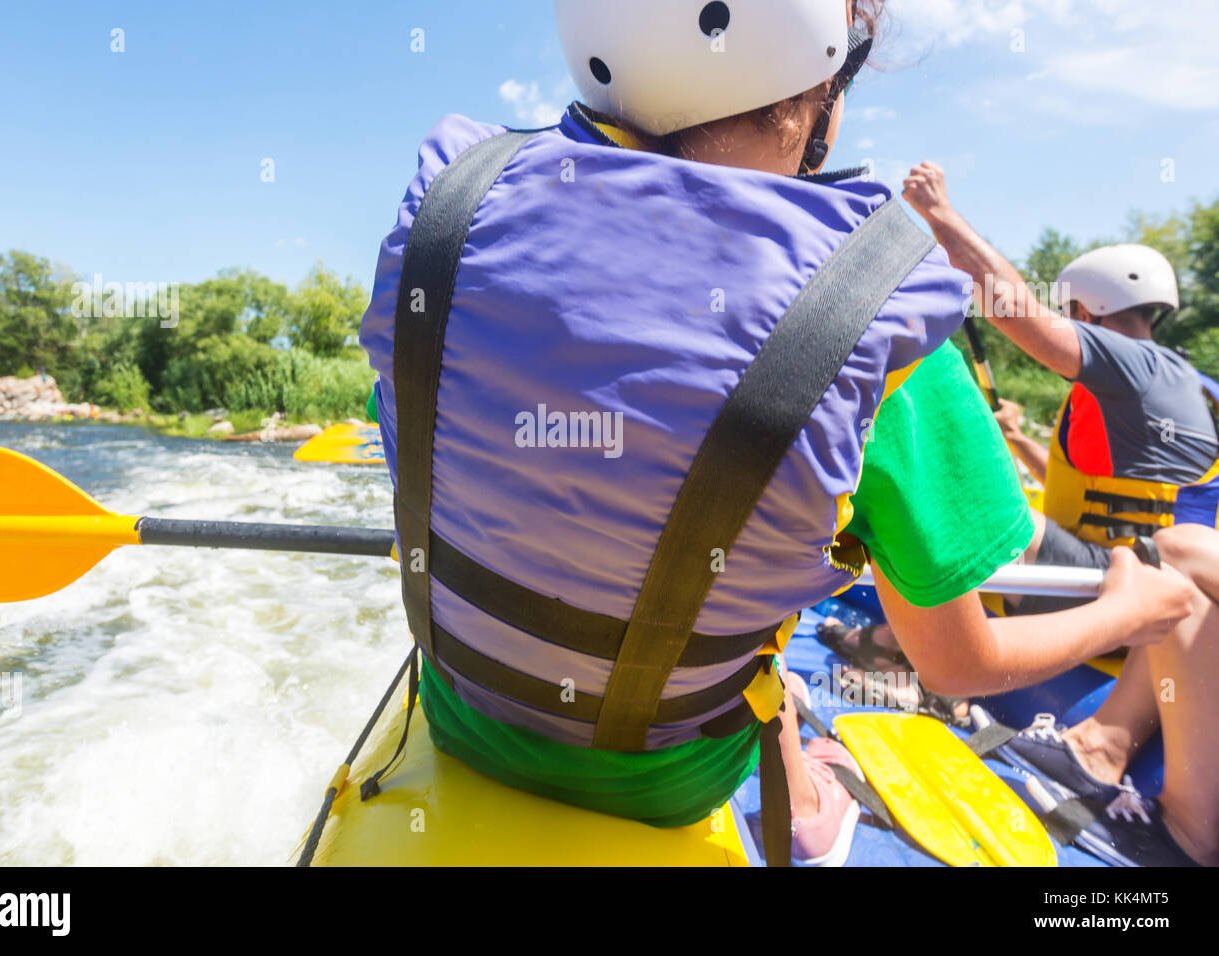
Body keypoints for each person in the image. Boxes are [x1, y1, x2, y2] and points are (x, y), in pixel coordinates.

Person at [358, 0, 1195, 867]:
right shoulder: (877, 309)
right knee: (770, 649)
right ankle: (806, 791)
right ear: (818, 87)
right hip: (668, 775)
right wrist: (1131, 607)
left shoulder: (449, 207)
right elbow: (959, 666)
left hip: (463, 715)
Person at [884, 161, 1219, 865]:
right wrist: (1025, 440)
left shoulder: (1136, 363)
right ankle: (914, 646)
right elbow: (1094, 487)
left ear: (1086, 311)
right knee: (1012, 513)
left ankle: (907, 647)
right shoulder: (1168, 379)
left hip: (1136, 586)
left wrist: (942, 218)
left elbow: (1015, 311)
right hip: (1128, 566)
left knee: (986, 524)